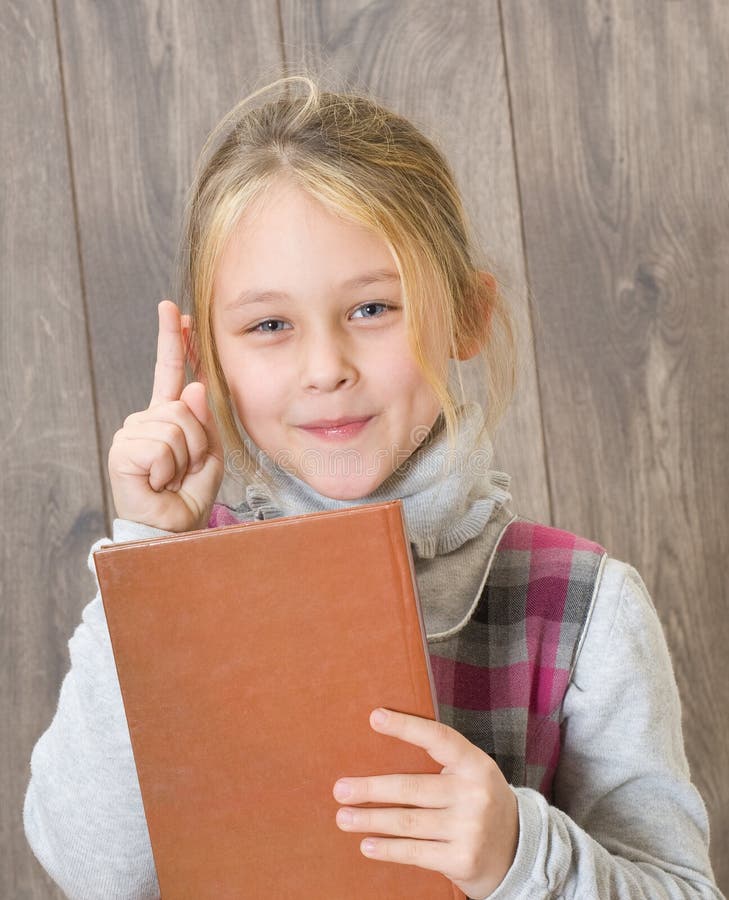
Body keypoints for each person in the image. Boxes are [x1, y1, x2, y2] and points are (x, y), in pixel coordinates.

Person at [23, 73, 723, 900]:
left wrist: (520, 856)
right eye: (269, 325)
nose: (326, 371)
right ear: (206, 357)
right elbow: (91, 871)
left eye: (371, 309)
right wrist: (149, 564)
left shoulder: (585, 610)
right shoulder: (177, 575)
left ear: (466, 313)